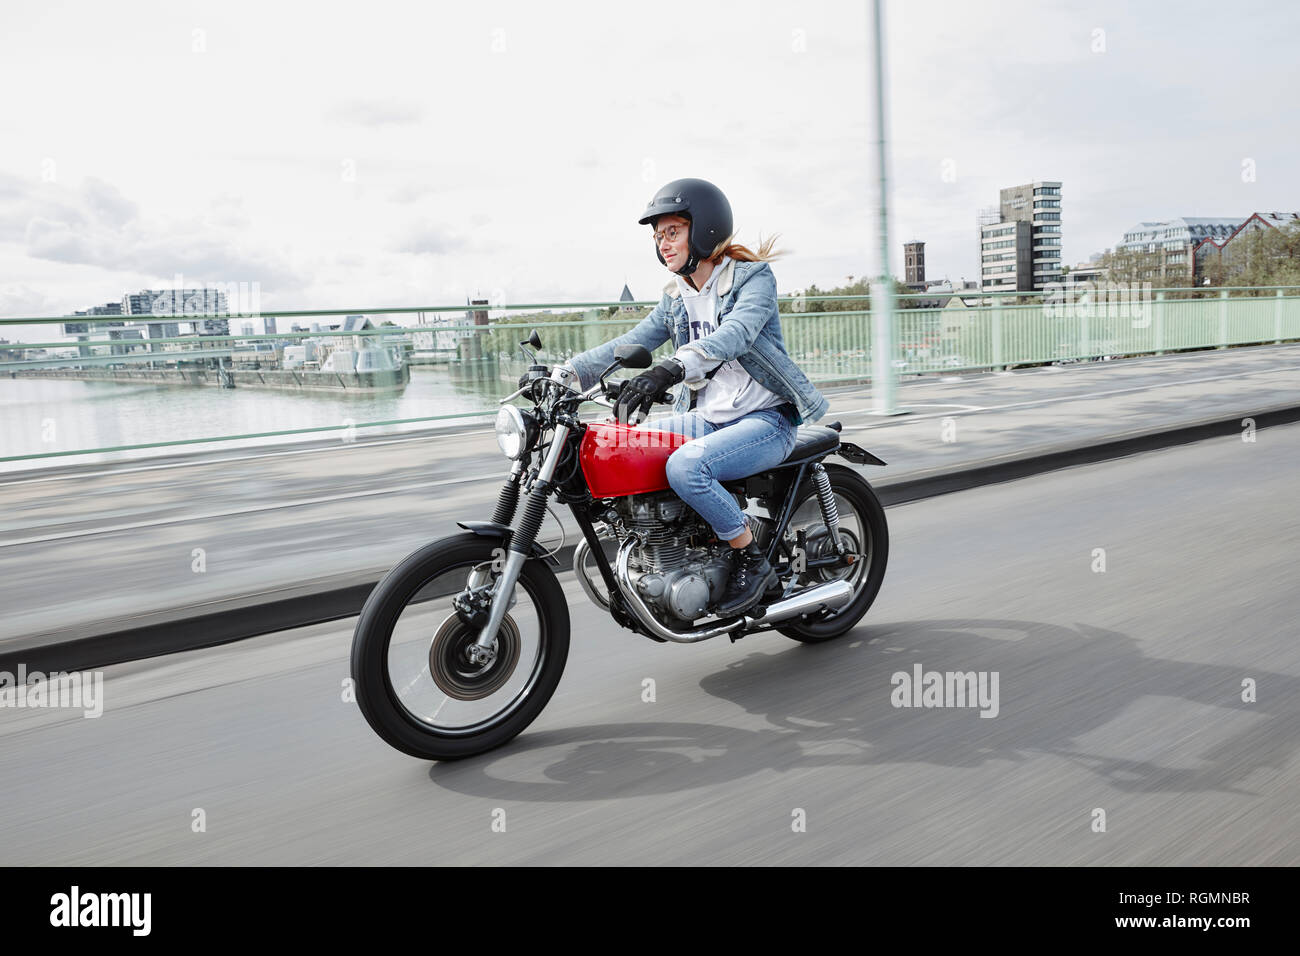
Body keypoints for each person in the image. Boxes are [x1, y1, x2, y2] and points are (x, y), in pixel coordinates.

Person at [563, 178, 829, 616]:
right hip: (710, 418)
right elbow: (633, 341)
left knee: (687, 466)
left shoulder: (751, 279)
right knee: (625, 444)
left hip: (765, 420)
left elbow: (736, 334)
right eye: (657, 236)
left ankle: (751, 559)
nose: (662, 244)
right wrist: (566, 371)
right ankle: (673, 546)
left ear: (703, 229)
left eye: (672, 232)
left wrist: (674, 366)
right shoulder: (677, 297)